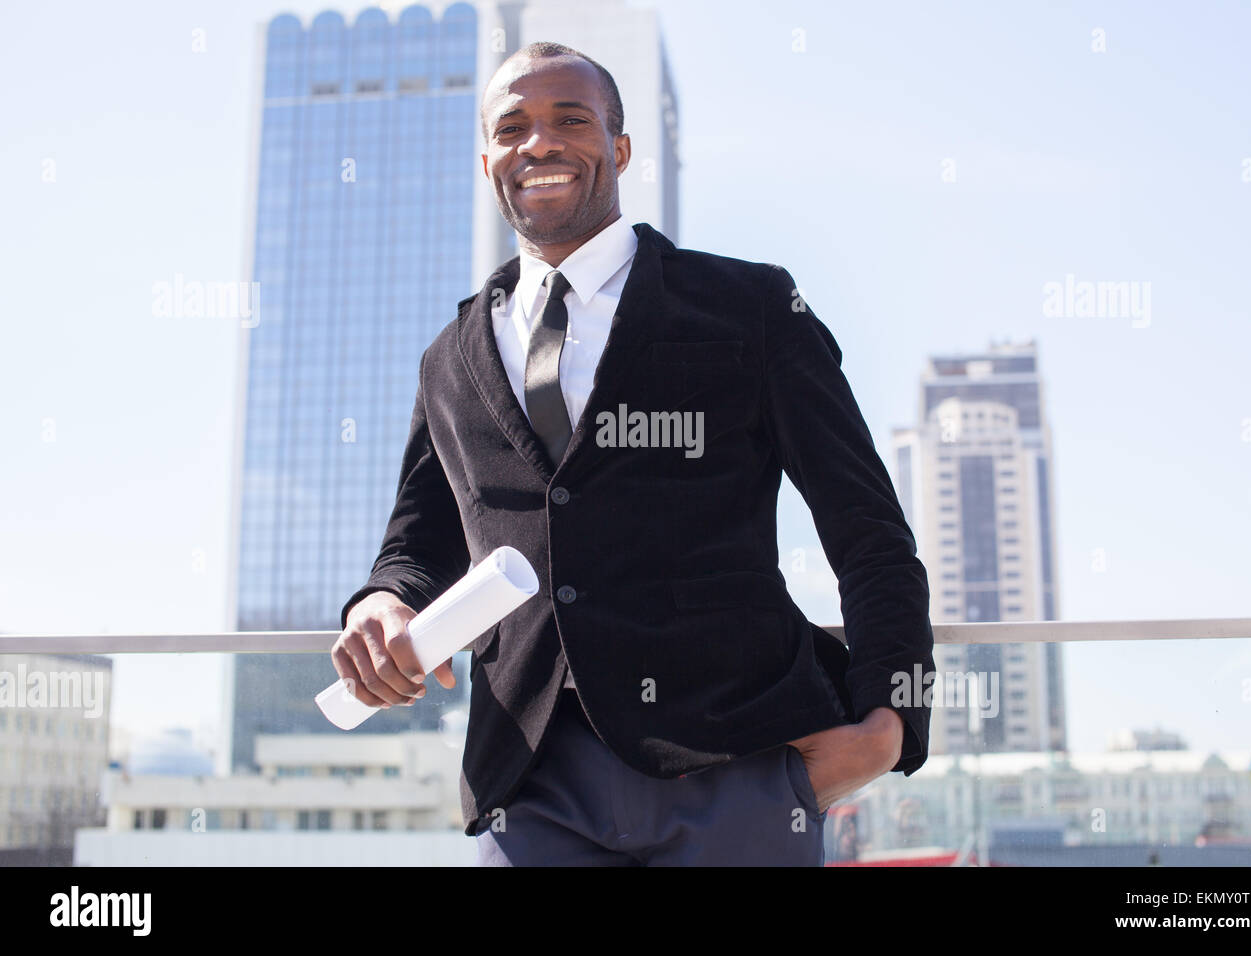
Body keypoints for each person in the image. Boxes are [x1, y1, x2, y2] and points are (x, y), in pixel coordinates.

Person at [334, 41, 935, 866]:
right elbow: (416, 543)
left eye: (569, 120)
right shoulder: (452, 355)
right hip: (532, 781)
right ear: (487, 161)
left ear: (619, 147)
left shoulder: (750, 306)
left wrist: (891, 726)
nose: (538, 143)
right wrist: (379, 603)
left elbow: (868, 528)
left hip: (740, 764)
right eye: (513, 128)